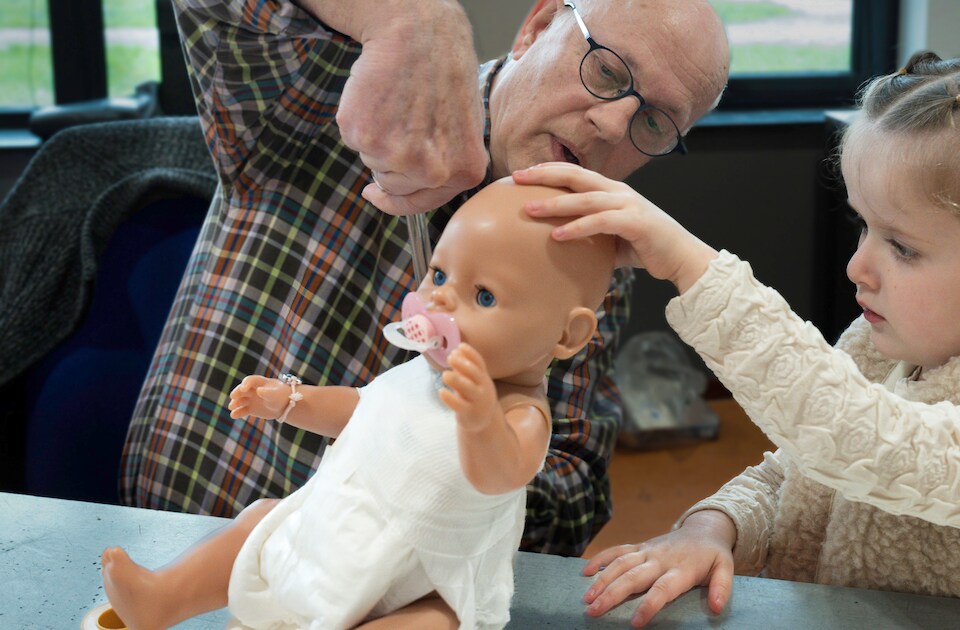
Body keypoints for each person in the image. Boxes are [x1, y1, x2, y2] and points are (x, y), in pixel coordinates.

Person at [513, 52, 960, 625]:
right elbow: (797, 473)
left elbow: (873, 447)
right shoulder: (880, 349)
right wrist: (713, 527)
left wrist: (688, 265)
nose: (857, 265)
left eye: (902, 246)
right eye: (863, 226)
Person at [123, 0, 729, 555]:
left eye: (654, 123)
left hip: (369, 593)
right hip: (187, 526)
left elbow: (574, 495)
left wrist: (476, 453)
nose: (616, 125)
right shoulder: (346, 84)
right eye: (607, 71)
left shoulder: (585, 259)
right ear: (536, 28)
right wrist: (406, 16)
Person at [100, 178, 619, 629]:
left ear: (567, 336)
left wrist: (480, 418)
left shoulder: (521, 415)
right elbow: (359, 408)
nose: (439, 300)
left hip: (424, 579)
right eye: (438, 275)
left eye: (483, 296)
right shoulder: (419, 370)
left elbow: (500, 474)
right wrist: (289, 400)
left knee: (434, 622)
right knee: (261, 518)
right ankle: (162, 598)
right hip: (344, 531)